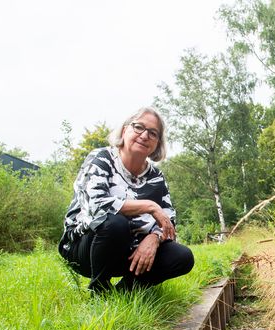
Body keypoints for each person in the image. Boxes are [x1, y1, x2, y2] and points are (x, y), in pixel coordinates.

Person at [58, 107, 194, 293]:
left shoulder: (156, 176)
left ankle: (124, 292)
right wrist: (149, 206)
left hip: (132, 251)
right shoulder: (101, 158)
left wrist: (154, 238)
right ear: (124, 130)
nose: (144, 135)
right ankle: (99, 290)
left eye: (153, 133)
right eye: (138, 127)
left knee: (182, 257)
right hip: (87, 247)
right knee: (115, 223)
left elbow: (168, 222)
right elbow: (96, 206)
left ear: (157, 143)